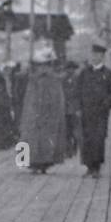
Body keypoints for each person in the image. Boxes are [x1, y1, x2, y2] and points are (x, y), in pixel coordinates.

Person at [74, 41, 111, 178]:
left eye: (97, 55)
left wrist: (105, 104)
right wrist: (78, 108)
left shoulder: (109, 74)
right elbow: (76, 92)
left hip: (101, 113)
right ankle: (89, 167)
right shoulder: (84, 73)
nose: (94, 57)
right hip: (85, 112)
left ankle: (97, 168)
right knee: (86, 139)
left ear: (102, 56)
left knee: (99, 139)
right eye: (93, 54)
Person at [19, 45, 68, 173]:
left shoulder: (52, 80)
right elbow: (29, 100)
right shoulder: (35, 80)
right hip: (36, 114)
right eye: (41, 65)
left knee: (45, 139)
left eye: (45, 65)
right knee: (35, 138)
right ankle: (36, 163)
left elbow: (57, 99)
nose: (43, 68)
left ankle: (44, 163)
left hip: (46, 115)